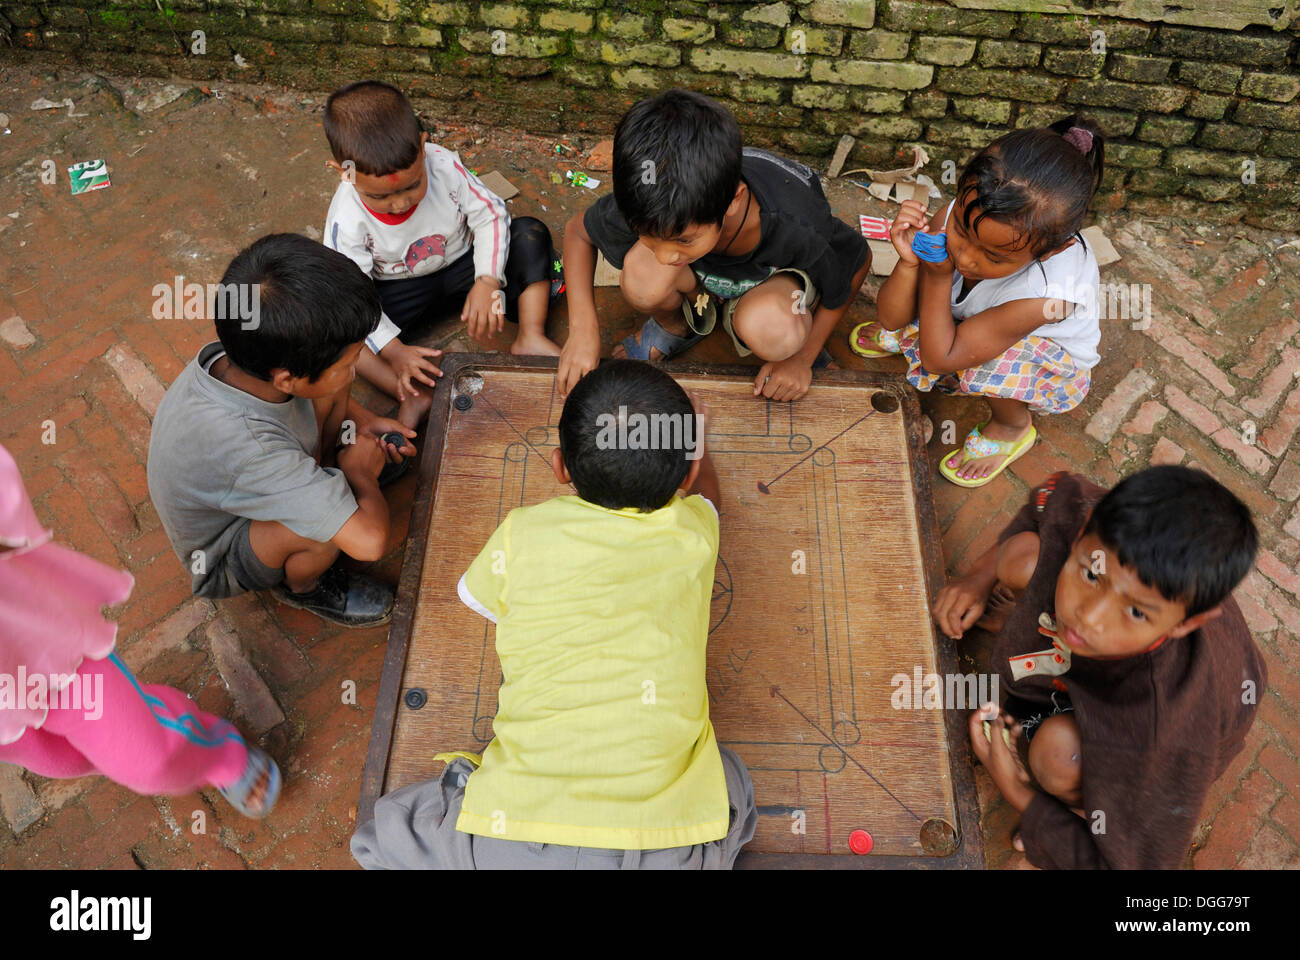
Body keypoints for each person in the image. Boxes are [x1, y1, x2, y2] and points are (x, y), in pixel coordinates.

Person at [352, 359, 757, 869]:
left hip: (511, 834)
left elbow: (475, 598)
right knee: (730, 779)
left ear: (559, 466)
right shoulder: (695, 530)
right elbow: (707, 497)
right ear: (690, 469)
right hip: (662, 843)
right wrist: (696, 447)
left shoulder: (523, 531)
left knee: (390, 830)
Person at [932, 466, 1266, 868]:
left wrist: (1022, 794)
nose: (1089, 618)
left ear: (1185, 624)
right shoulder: (1099, 521)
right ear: (1086, 526)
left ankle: (1078, 812)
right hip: (1090, 673)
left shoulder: (1169, 724)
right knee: (1022, 558)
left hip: (1139, 736)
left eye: (1137, 613)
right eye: (1091, 574)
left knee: (1058, 758)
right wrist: (979, 578)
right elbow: (1052, 496)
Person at [0, 443, 279, 818]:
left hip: (39, 653)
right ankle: (154, 719)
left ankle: (217, 751)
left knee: (148, 761)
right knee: (67, 761)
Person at [147, 233, 412, 628]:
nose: (356, 367)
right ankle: (304, 586)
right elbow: (371, 543)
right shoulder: (250, 449)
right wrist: (360, 475)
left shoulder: (250, 346)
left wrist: (365, 421)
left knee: (333, 383)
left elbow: (330, 383)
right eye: (350, 358)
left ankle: (328, 483)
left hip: (264, 469)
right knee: (319, 532)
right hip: (228, 550)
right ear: (286, 379)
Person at [557, 89, 870, 404]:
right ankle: (677, 326)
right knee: (642, 277)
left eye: (684, 239)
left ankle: (790, 342)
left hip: (769, 287)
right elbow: (577, 233)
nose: (665, 256)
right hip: (698, 287)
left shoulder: (796, 221)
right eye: (647, 235)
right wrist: (582, 329)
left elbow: (857, 261)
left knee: (777, 331)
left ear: (733, 201)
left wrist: (803, 356)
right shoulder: (654, 193)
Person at [852, 116, 1105, 487]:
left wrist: (937, 276)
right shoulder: (965, 213)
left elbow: (939, 360)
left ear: (1051, 252)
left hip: (1042, 357)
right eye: (962, 232)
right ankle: (930, 332)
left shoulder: (1049, 295)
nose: (966, 258)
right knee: (922, 307)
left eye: (995, 256)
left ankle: (1012, 426)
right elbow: (890, 319)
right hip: (969, 321)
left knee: (971, 356)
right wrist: (909, 266)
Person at [323, 80, 564, 429]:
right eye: (381, 198)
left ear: (424, 146)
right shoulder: (346, 220)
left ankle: (530, 335)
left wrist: (487, 279)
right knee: (336, 327)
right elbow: (353, 295)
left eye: (411, 186)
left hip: (465, 263)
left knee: (530, 234)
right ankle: (410, 392)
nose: (400, 203)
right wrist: (395, 351)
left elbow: (492, 215)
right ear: (342, 171)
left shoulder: (443, 164)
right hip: (396, 289)